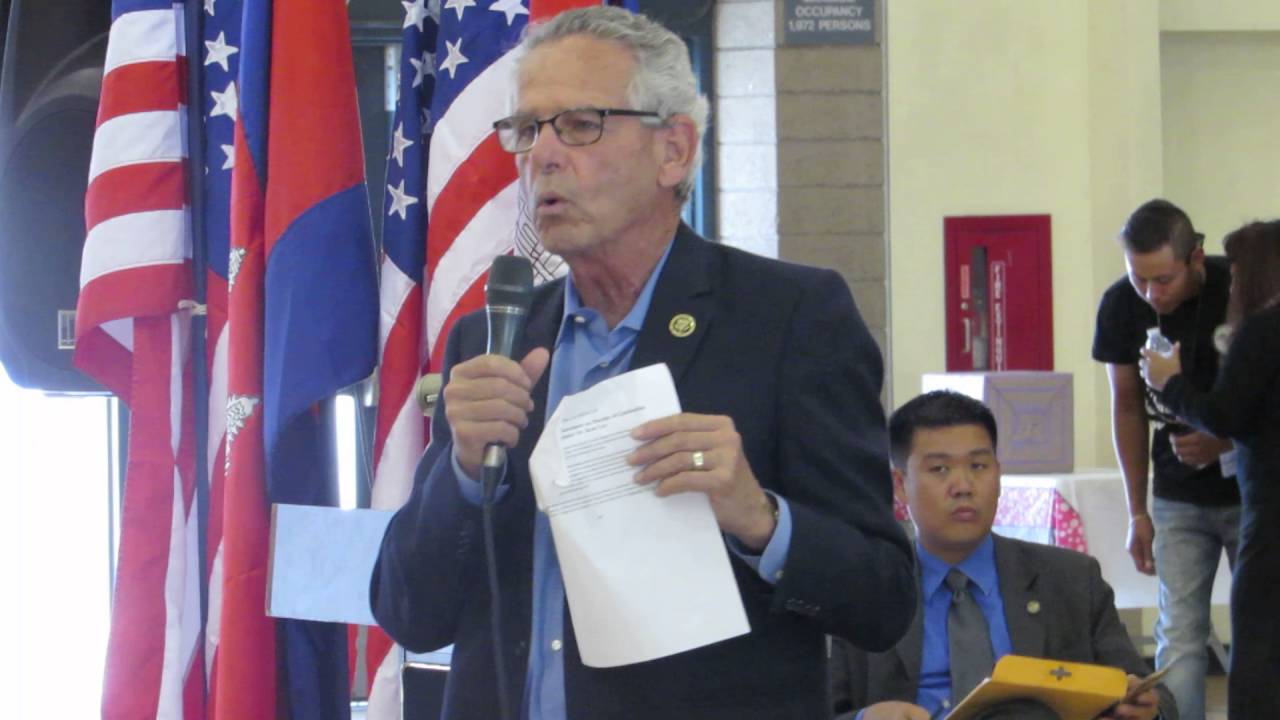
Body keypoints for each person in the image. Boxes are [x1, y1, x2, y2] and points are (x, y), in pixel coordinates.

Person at [369, 8, 915, 720]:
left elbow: (883, 599)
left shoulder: (789, 318)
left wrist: (760, 519)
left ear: (675, 151)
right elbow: (410, 613)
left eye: (580, 124)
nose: (543, 156)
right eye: (528, 130)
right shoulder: (492, 340)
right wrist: (465, 475)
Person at [830, 391, 1177, 720]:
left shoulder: (1070, 579)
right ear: (900, 486)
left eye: (978, 466)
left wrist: (1148, 708)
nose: (963, 486)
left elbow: (1152, 693)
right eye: (939, 469)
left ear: (998, 472)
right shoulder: (864, 590)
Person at [1092, 199, 1239, 720]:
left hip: (1251, 490)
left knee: (1258, 624)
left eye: (1164, 279)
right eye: (1139, 278)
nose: (1152, 294)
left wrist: (1225, 444)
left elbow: (1266, 404)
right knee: (1178, 630)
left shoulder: (1237, 289)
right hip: (1177, 493)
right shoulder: (1119, 305)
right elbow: (1128, 407)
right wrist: (1138, 511)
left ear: (1196, 257)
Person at [1141, 220, 1280, 720]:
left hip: (1270, 515)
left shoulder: (1263, 328)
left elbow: (1224, 414)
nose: (1234, 286)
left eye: (1240, 275)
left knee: (1260, 653)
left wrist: (1170, 382)